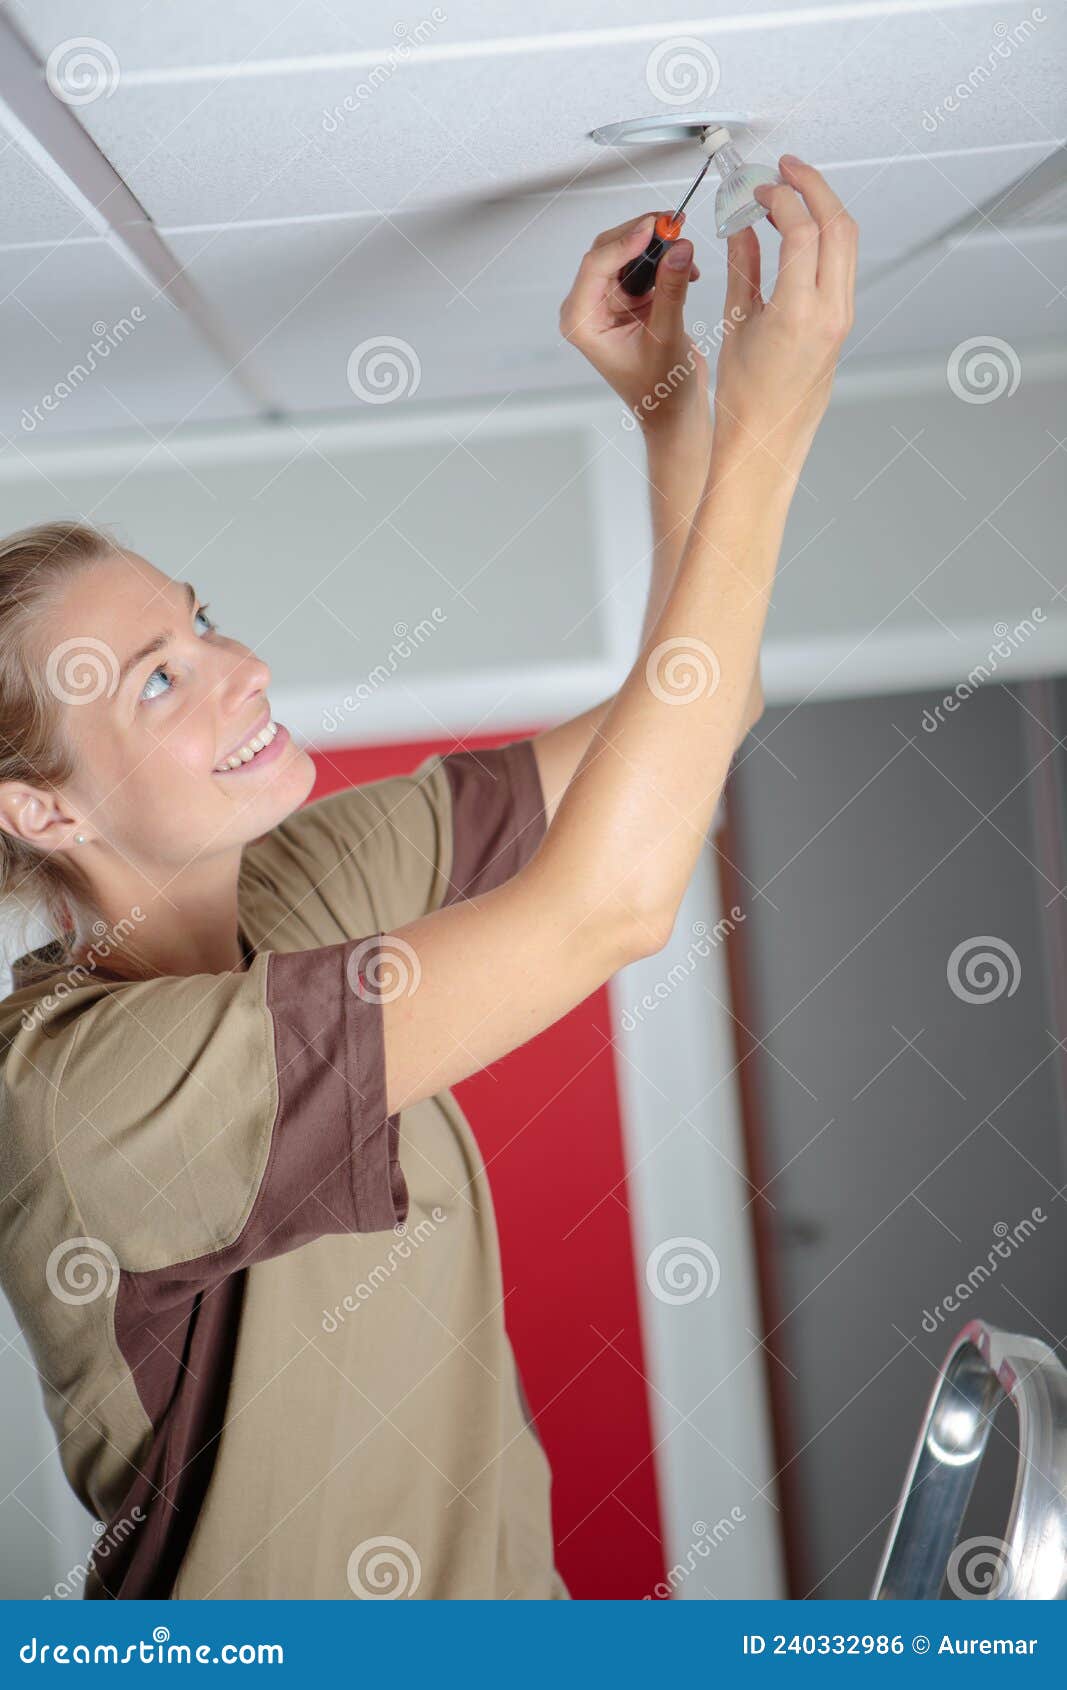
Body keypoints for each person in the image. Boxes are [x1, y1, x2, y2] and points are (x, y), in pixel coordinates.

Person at [0, 157, 855, 1600]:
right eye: (159, 681)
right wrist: (771, 444)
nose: (243, 669)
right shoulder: (90, 1091)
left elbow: (686, 713)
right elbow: (616, 903)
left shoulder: (292, 888)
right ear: (38, 807)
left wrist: (673, 415)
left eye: (202, 624)